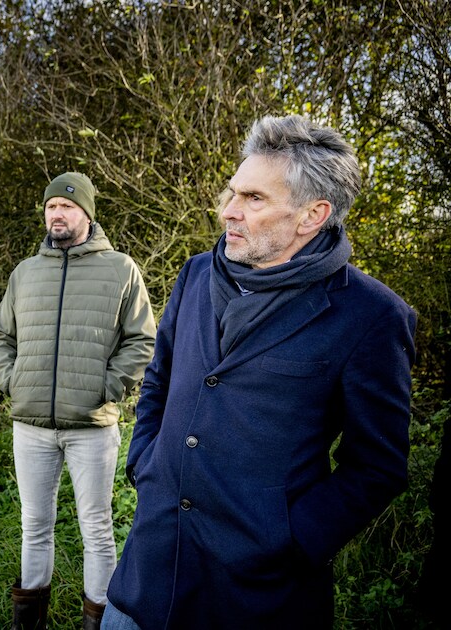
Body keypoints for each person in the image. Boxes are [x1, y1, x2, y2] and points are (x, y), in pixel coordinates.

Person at [102, 115, 417, 629]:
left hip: (258, 598)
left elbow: (377, 467)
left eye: (254, 199)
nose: (228, 211)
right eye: (232, 193)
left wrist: (292, 538)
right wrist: (146, 462)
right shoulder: (197, 272)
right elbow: (160, 377)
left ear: (312, 215)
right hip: (146, 577)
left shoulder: (371, 316)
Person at [0, 172, 157, 630]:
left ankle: (98, 624)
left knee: (97, 531)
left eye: (66, 206)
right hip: (31, 426)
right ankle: (30, 624)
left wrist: (108, 388)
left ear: (87, 213)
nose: (56, 214)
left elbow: (142, 340)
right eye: (50, 207)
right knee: (34, 526)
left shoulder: (121, 269)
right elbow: (1, 334)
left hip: (93, 427)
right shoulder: (25, 272)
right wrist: (12, 380)